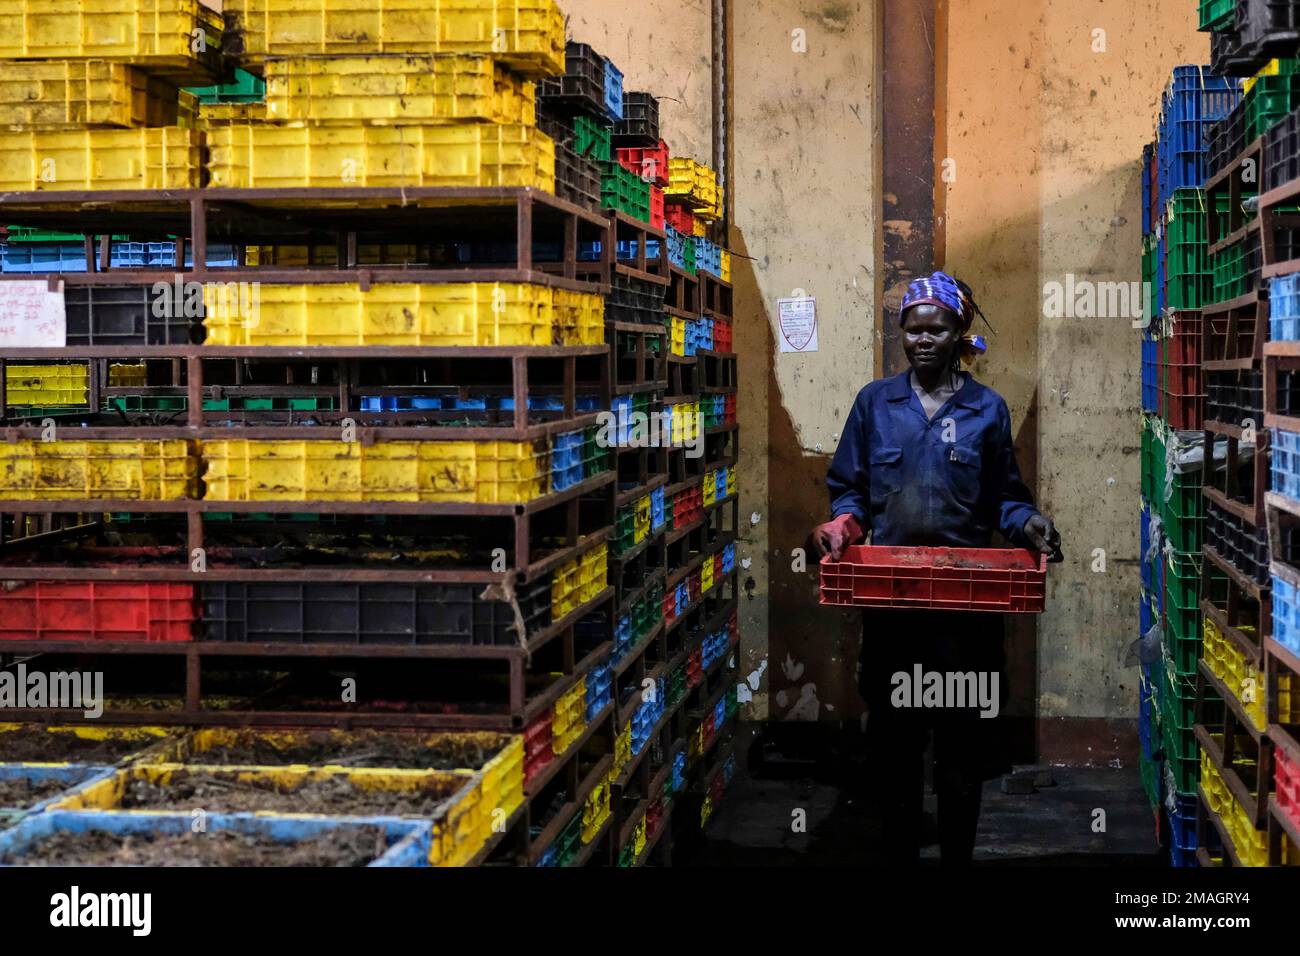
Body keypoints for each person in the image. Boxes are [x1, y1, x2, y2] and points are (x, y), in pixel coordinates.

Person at [813, 270, 1060, 866]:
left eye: (938, 329)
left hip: (965, 620)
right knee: (895, 749)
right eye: (913, 329)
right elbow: (850, 489)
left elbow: (1006, 496)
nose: (923, 340)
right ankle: (899, 852)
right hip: (894, 612)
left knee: (960, 751)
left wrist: (1030, 524)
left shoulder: (986, 410)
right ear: (902, 332)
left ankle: (956, 857)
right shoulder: (876, 404)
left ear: (960, 332)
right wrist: (840, 527)